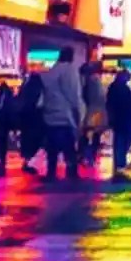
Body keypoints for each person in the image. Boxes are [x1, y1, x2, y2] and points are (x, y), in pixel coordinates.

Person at [41, 47, 85, 181]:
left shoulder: (51, 71)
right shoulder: (69, 71)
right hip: (65, 116)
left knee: (52, 149)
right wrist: (79, 113)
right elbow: (74, 94)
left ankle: (51, 172)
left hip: (50, 115)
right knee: (69, 148)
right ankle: (71, 172)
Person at [107, 69, 131, 180]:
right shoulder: (123, 89)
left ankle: (119, 166)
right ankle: (120, 166)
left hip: (119, 119)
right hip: (123, 119)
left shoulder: (114, 88)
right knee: (122, 142)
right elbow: (127, 103)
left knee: (120, 142)